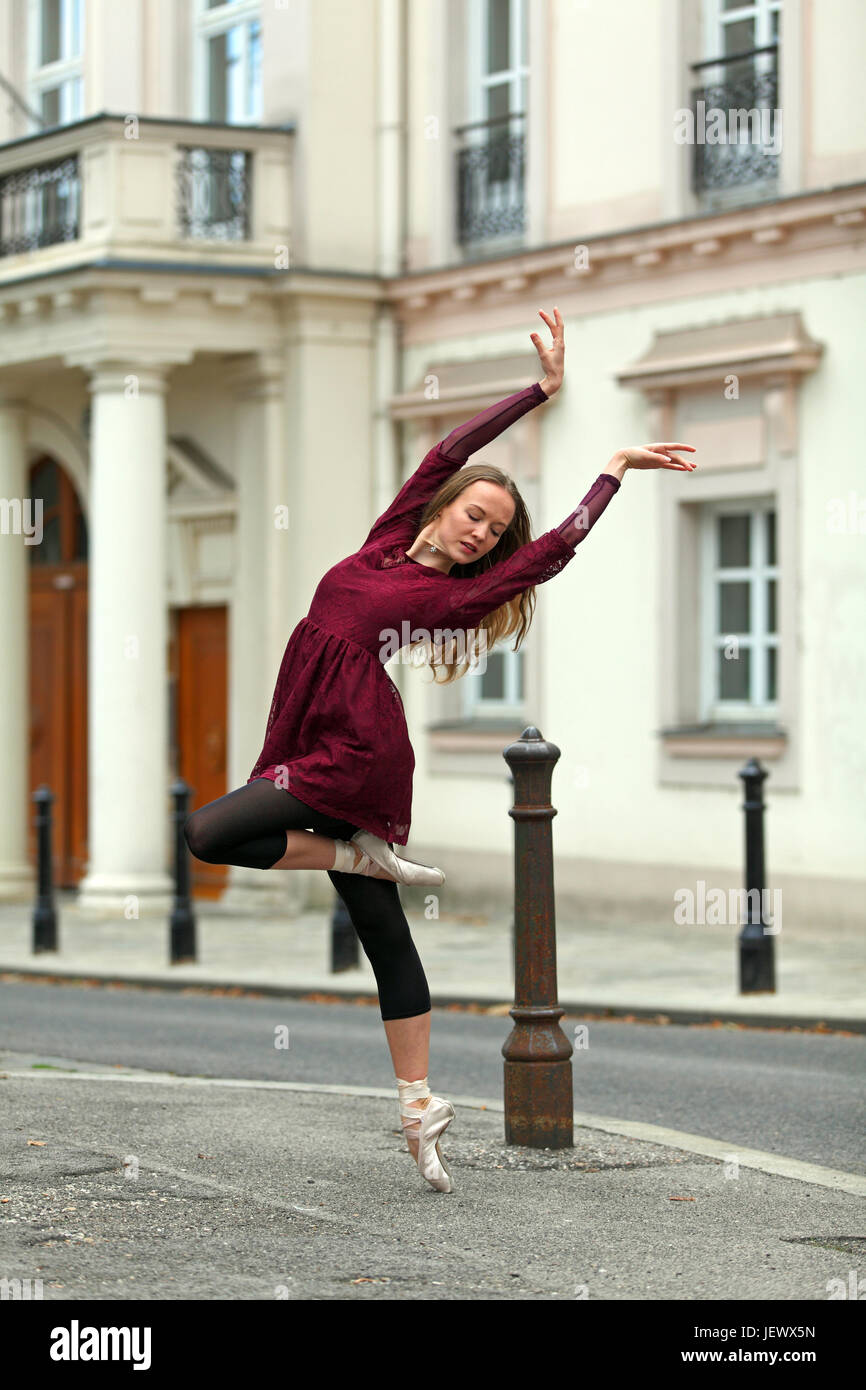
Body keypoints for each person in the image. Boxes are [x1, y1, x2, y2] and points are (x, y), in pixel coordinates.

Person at [184, 307, 697, 1193]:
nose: (482, 534)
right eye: (476, 515)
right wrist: (538, 391)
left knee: (207, 834)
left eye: (495, 531)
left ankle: (359, 851)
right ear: (447, 503)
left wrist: (609, 473)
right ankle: (420, 1107)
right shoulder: (386, 540)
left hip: (353, 748)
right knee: (383, 931)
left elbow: (550, 556)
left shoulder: (445, 597)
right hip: (309, 727)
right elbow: (447, 447)